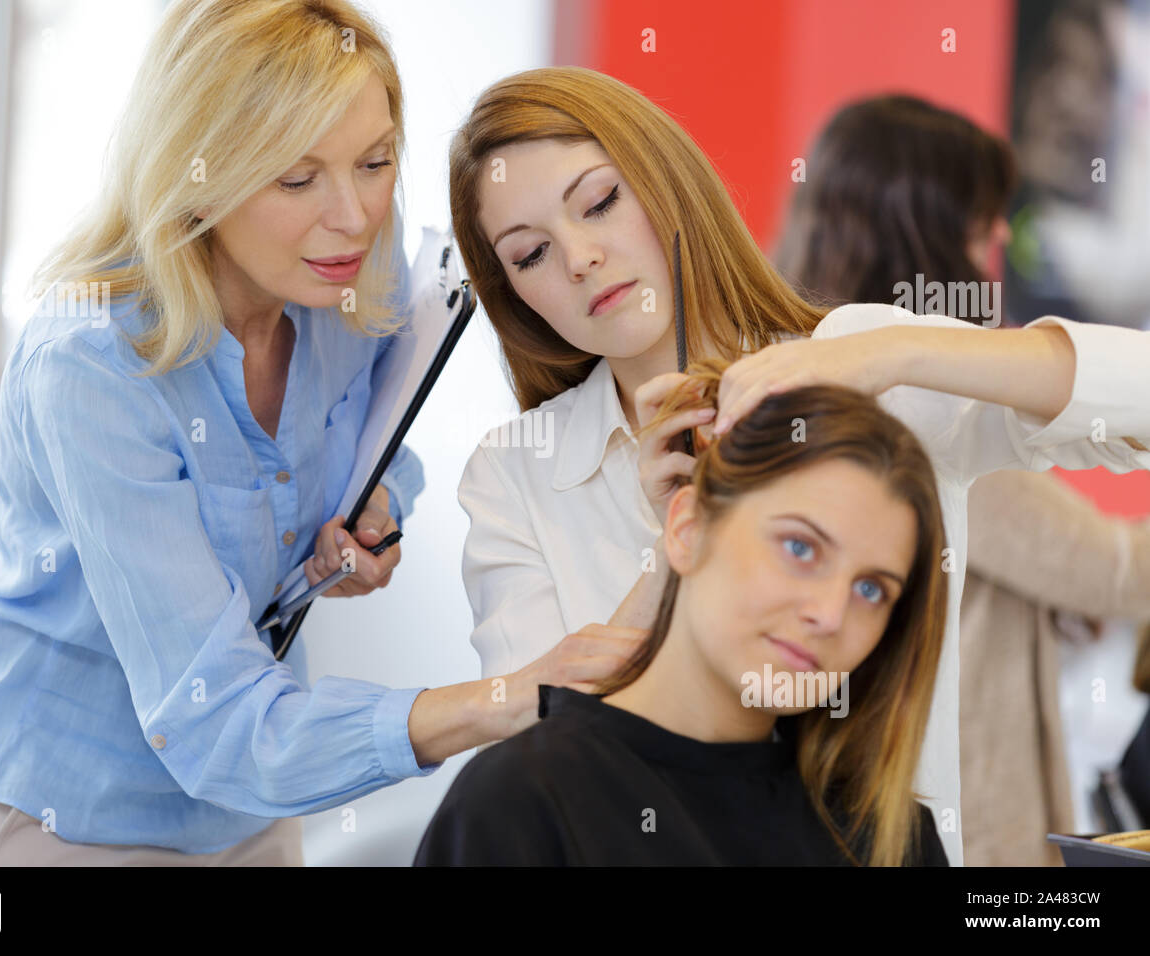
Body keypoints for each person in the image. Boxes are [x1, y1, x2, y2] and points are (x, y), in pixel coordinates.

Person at [0, 1, 641, 867]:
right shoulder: (93, 367)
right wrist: (501, 698)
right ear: (197, 175)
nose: (354, 215)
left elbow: (376, 439)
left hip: (249, 793)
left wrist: (369, 510)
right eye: (296, 180)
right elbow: (213, 719)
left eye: (375, 162)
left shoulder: (342, 270)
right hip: (58, 796)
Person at [445, 65, 1150, 866]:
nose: (578, 259)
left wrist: (902, 348)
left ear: (667, 182)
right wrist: (670, 558)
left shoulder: (863, 364)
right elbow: (538, 754)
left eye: (600, 202)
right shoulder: (515, 475)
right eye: (530, 253)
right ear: (514, 295)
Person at [775, 93, 1150, 866]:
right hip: (964, 807)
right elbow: (1114, 571)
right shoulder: (913, 404)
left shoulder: (819, 369)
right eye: (985, 212)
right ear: (927, 226)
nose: (1004, 233)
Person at [416, 378, 950, 865]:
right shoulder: (523, 802)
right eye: (799, 547)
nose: (830, 615)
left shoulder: (892, 838)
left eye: (870, 589)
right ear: (688, 529)